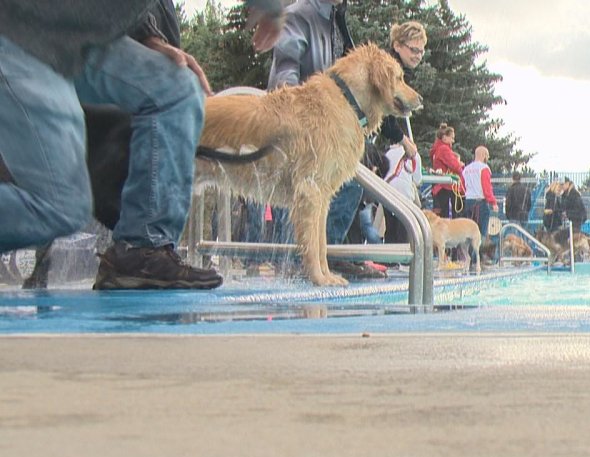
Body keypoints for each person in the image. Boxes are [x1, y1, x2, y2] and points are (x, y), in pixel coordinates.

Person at [0, 0, 283, 290]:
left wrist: (147, 34)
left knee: (177, 89)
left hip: (74, 36)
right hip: (17, 34)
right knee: (63, 207)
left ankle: (141, 251)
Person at [264, 0, 384, 280]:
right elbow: (283, 78)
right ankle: (294, 261)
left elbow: (349, 87)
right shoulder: (297, 16)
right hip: (304, 135)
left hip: (335, 134)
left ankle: (325, 255)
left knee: (347, 186)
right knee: (302, 194)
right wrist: (301, 124)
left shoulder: (335, 19)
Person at [377, 21, 428, 147]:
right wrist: (403, 140)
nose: (418, 56)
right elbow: (383, 115)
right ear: (397, 46)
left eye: (421, 52)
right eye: (414, 50)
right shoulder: (388, 70)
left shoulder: (401, 70)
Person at [462, 145, 498, 263]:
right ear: (483, 155)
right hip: (480, 203)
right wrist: (493, 202)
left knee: (468, 232)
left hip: (468, 201)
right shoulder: (484, 168)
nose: (487, 158)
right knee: (480, 232)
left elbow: (462, 186)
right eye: (487, 156)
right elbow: (486, 187)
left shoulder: (466, 169)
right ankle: (475, 258)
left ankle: (467, 257)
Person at [430, 123, 465, 218]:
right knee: (451, 216)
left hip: (439, 186)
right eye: (452, 138)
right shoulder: (444, 149)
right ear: (445, 138)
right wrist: (460, 165)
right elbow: (455, 166)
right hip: (446, 187)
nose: (453, 141)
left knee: (441, 214)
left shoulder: (436, 149)